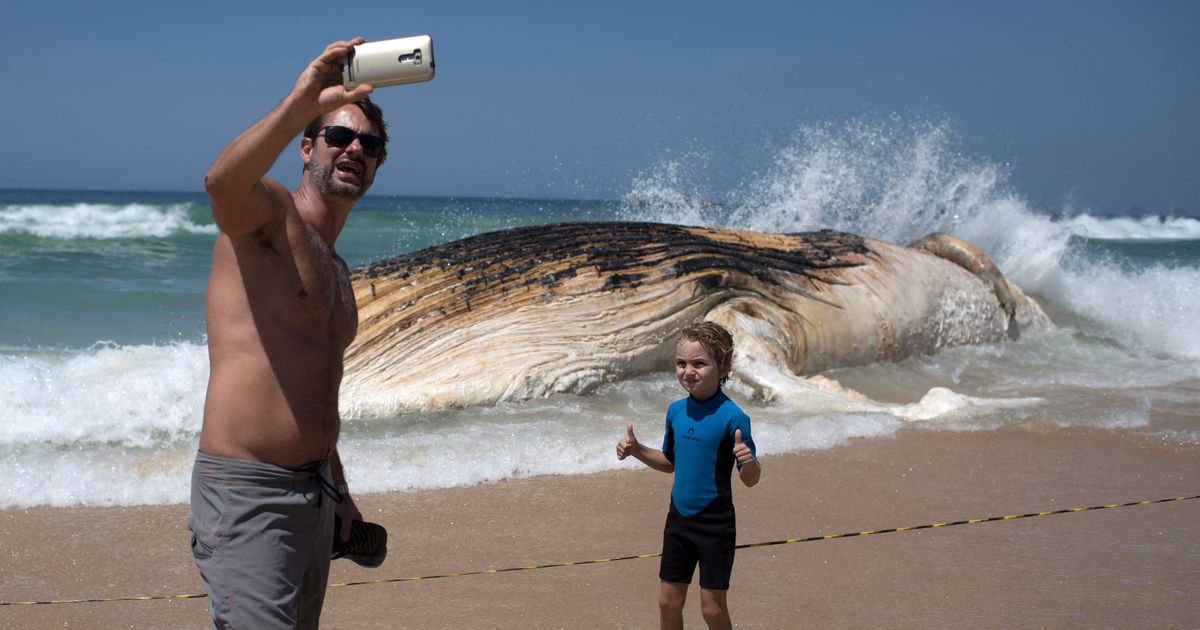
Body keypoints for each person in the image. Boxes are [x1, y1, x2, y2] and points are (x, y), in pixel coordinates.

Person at [188, 38, 387, 629]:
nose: (355, 148)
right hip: (250, 494)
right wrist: (302, 100)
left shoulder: (338, 269)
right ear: (307, 146)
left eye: (370, 145)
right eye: (338, 136)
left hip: (315, 493)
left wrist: (341, 490)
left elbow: (314, 389)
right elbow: (221, 183)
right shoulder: (269, 219)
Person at [617, 320, 762, 630]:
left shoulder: (734, 417)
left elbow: (750, 479)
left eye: (699, 363)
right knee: (667, 602)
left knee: (712, 609)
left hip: (715, 525)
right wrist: (637, 449)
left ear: (722, 367)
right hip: (678, 522)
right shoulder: (676, 412)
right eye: (681, 363)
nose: (688, 371)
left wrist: (748, 462)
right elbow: (670, 462)